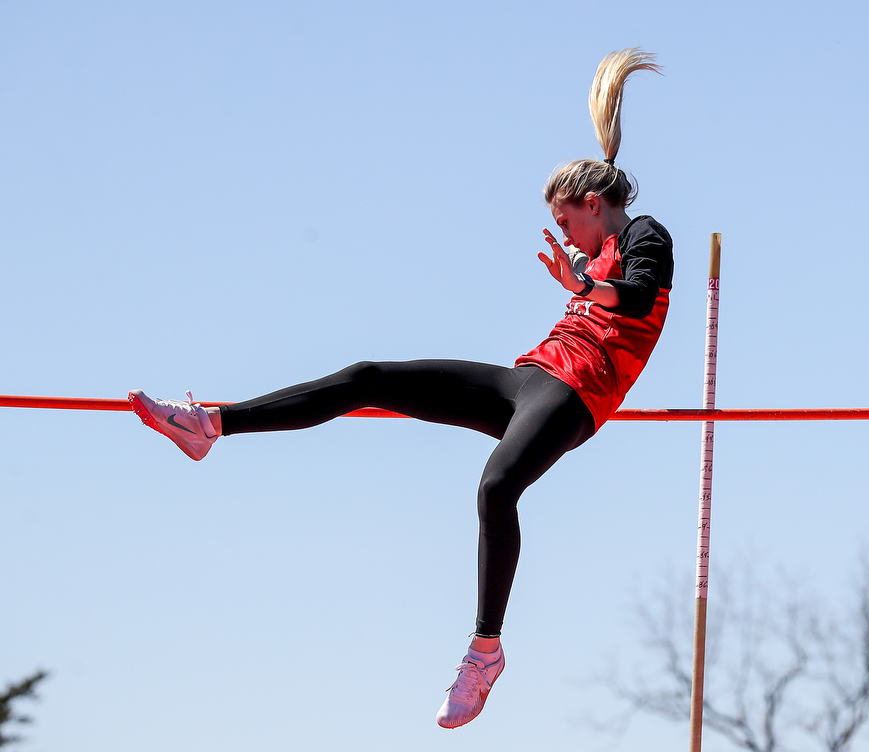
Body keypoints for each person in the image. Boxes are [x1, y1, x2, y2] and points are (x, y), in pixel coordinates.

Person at [129, 48, 672, 729]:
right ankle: (209, 426)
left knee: (496, 487)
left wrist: (586, 283)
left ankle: (485, 651)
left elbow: (642, 293)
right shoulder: (592, 254)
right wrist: (582, 272)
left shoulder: (646, 238)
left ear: (594, 206)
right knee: (367, 378)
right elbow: (596, 280)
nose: (564, 237)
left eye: (567, 222)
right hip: (530, 379)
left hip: (576, 397)